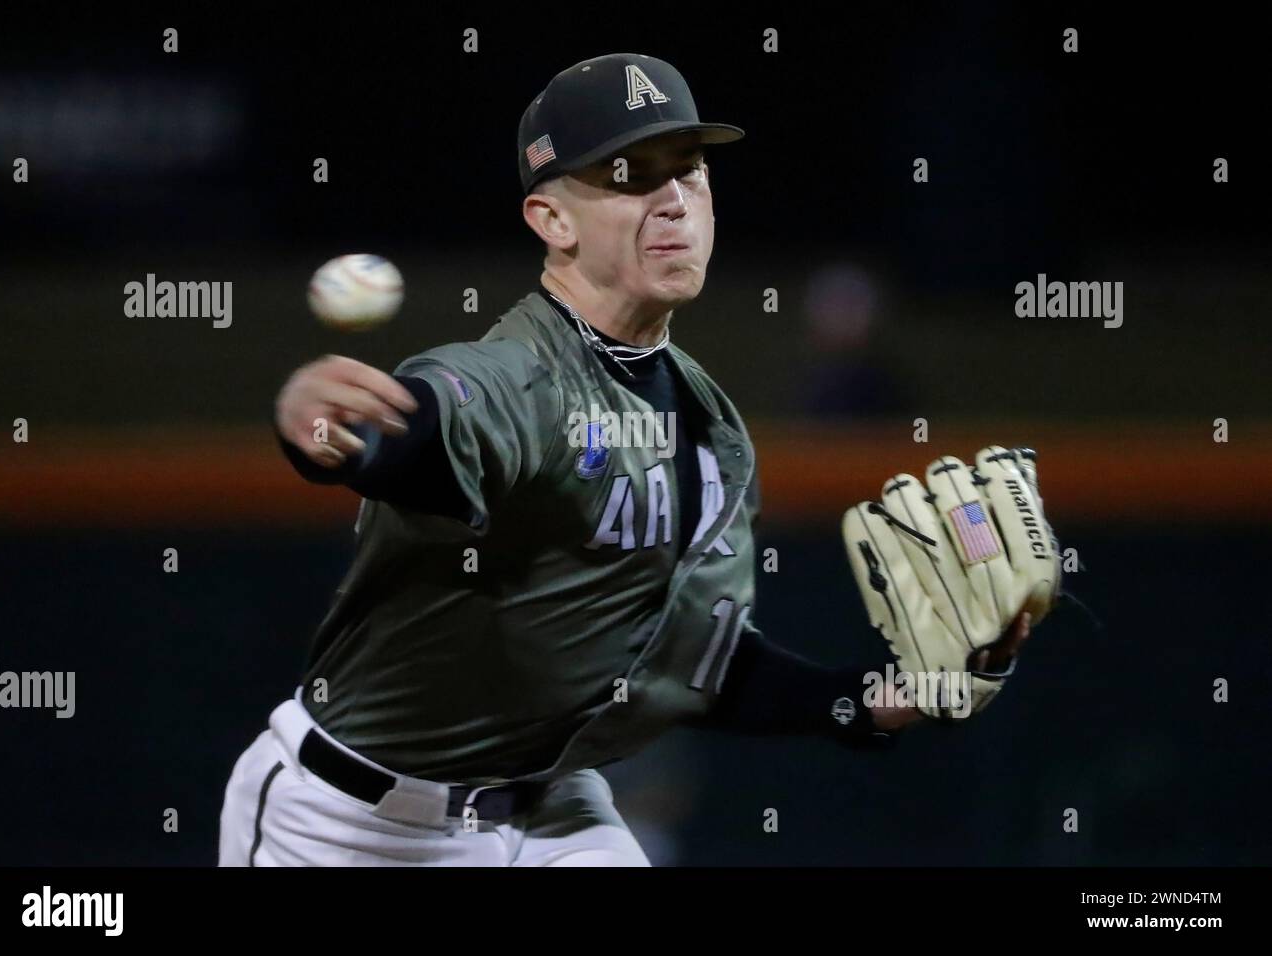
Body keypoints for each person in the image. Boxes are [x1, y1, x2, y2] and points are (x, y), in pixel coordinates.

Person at [217, 52, 1032, 867]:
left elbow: (691, 658)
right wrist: (328, 439)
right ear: (553, 221)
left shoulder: (711, 428)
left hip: (556, 816)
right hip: (352, 825)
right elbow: (421, 437)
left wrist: (868, 701)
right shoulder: (516, 374)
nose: (674, 200)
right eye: (629, 176)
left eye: (691, 171)